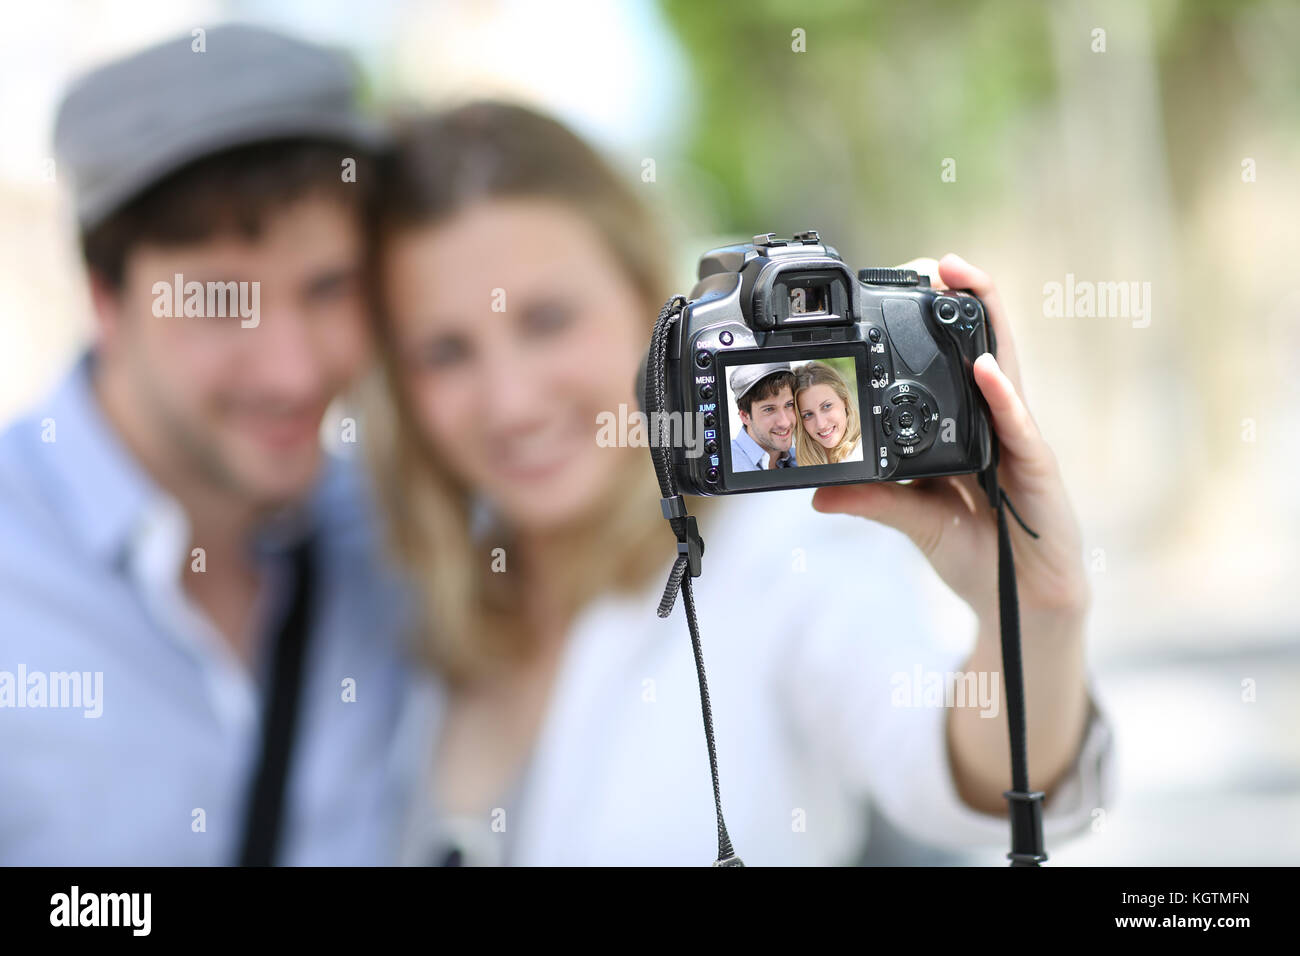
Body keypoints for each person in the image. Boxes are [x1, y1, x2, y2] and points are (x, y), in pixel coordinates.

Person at [367, 101, 1114, 866]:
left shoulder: (790, 546)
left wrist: (1033, 617)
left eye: (548, 319)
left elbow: (953, 768)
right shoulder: (405, 601)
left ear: (652, 311)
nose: (510, 402)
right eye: (445, 351)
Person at [0, 25, 423, 865]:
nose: (295, 371)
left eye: (329, 287)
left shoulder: (403, 545)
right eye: (223, 303)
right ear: (105, 300)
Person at [728, 363, 799, 471]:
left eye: (789, 404)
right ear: (745, 416)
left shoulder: (802, 459)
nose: (785, 422)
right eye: (769, 409)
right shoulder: (727, 464)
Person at [793, 361, 863, 466]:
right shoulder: (795, 462)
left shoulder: (863, 451)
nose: (821, 424)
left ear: (845, 400)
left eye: (827, 406)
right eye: (808, 415)